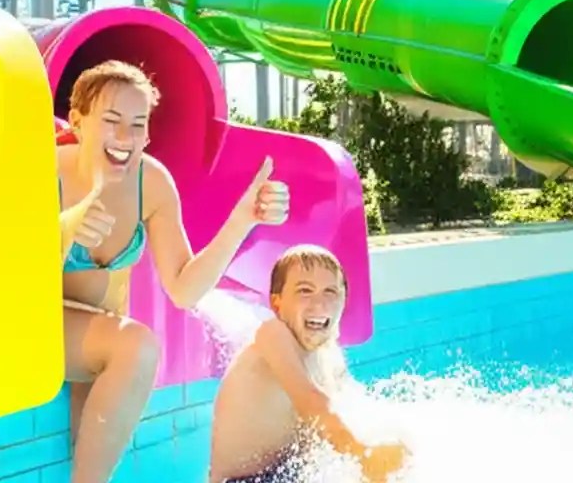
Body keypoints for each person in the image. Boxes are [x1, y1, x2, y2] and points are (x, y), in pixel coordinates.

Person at [56, 59, 290, 483]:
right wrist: (64, 228)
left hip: (91, 334)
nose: (125, 137)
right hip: (32, 324)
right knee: (136, 346)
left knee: (90, 449)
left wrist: (243, 219)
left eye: (138, 124)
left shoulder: (151, 183)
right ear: (77, 121)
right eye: (111, 120)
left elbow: (184, 289)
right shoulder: (44, 172)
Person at [209, 245, 410, 483]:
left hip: (288, 475)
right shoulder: (272, 335)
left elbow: (349, 410)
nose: (319, 304)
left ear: (344, 302)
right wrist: (362, 454)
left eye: (330, 292)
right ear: (277, 303)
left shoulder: (327, 355)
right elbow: (310, 402)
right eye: (305, 291)